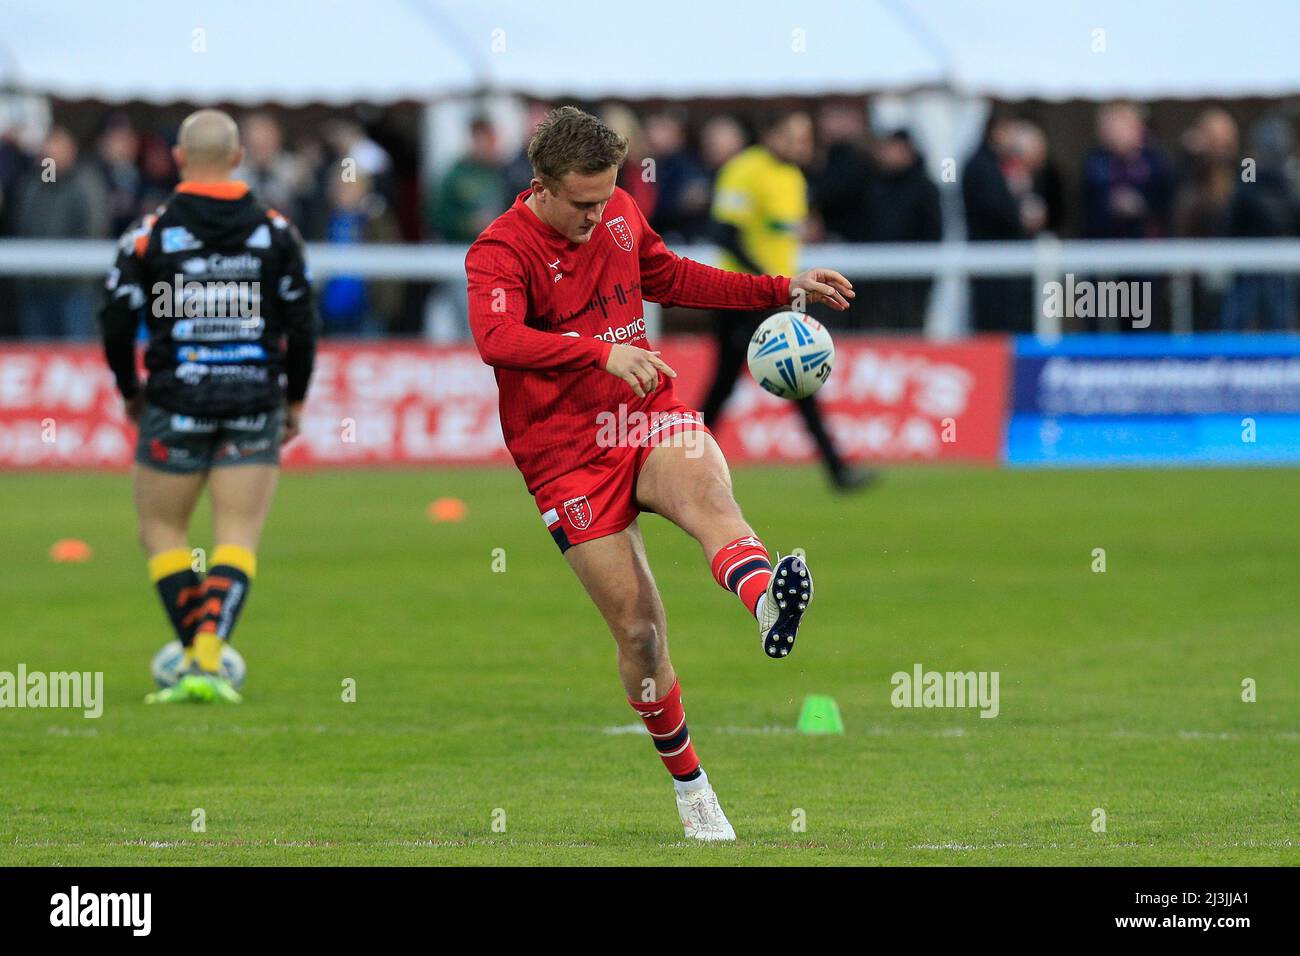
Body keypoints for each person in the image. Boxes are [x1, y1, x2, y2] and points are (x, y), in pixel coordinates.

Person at [464, 106, 854, 840]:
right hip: (563, 454)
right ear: (540, 187)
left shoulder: (615, 211)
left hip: (643, 416)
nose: (595, 216)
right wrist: (597, 351)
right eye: (580, 204)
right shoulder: (498, 250)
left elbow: (669, 274)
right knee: (640, 634)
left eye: (604, 196)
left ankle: (767, 600)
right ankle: (692, 787)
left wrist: (780, 289)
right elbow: (496, 339)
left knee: (709, 494)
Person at [99, 109, 319, 704]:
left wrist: (130, 391)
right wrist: (294, 398)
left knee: (162, 529)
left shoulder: (148, 233)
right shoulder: (276, 231)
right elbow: (302, 326)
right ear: (239, 157)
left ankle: (200, 660)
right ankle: (206, 660)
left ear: (178, 160)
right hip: (254, 398)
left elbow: (115, 320)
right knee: (238, 534)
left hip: (175, 399)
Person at [702, 110, 872, 490]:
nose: (802, 146)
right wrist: (767, 281)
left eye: (806, 138)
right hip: (740, 295)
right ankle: (685, 458)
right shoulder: (744, 170)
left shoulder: (793, 177)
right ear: (770, 134)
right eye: (795, 137)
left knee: (793, 382)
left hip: (778, 295)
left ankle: (837, 470)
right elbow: (724, 234)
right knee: (728, 383)